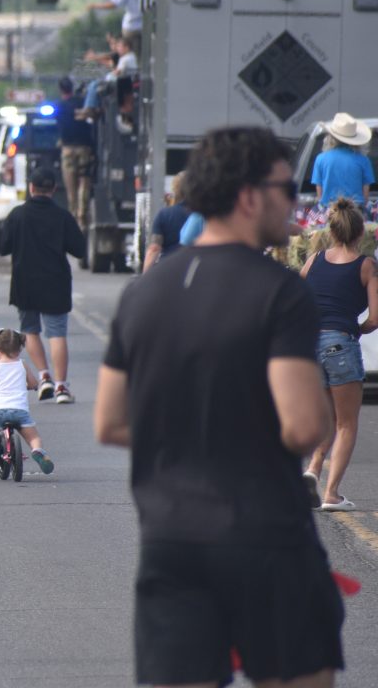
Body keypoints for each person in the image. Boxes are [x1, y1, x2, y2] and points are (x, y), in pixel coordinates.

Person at [96, 125, 343, 688]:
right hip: (266, 536)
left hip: (171, 539)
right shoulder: (279, 291)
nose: (296, 203)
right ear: (250, 195)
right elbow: (304, 424)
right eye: (288, 187)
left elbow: (110, 421)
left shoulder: (142, 294)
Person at [300, 198, 378, 511]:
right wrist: (354, 329)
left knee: (327, 418)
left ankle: (312, 469)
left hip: (310, 344)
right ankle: (331, 494)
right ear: (361, 234)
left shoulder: (315, 259)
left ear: (331, 231)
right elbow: (375, 317)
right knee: (346, 423)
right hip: (340, 343)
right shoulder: (366, 265)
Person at [0, 167, 85, 405]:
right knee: (57, 333)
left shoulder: (17, 215)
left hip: (25, 281)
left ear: (31, 188)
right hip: (56, 281)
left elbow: (2, 247)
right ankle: (61, 387)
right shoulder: (63, 216)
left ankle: (44, 376)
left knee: (30, 329)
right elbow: (80, 249)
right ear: (54, 189)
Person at [0, 329, 54, 480]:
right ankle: (38, 451)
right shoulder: (22, 365)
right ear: (20, 348)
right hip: (19, 411)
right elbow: (33, 384)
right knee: (33, 437)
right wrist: (27, 386)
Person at [310, 113, 374, 209]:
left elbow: (320, 192)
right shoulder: (363, 160)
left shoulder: (321, 159)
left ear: (331, 137)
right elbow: (365, 194)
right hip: (355, 211)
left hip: (330, 211)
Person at [54, 77, 94, 228]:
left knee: (71, 185)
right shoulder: (82, 103)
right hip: (84, 147)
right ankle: (82, 214)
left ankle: (73, 214)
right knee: (84, 180)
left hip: (68, 150)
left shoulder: (60, 106)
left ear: (61, 90)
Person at [142, 174, 192, 273]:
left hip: (168, 268)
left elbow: (154, 248)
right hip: (194, 267)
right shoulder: (203, 215)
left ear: (175, 189)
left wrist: (144, 276)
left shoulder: (164, 214)